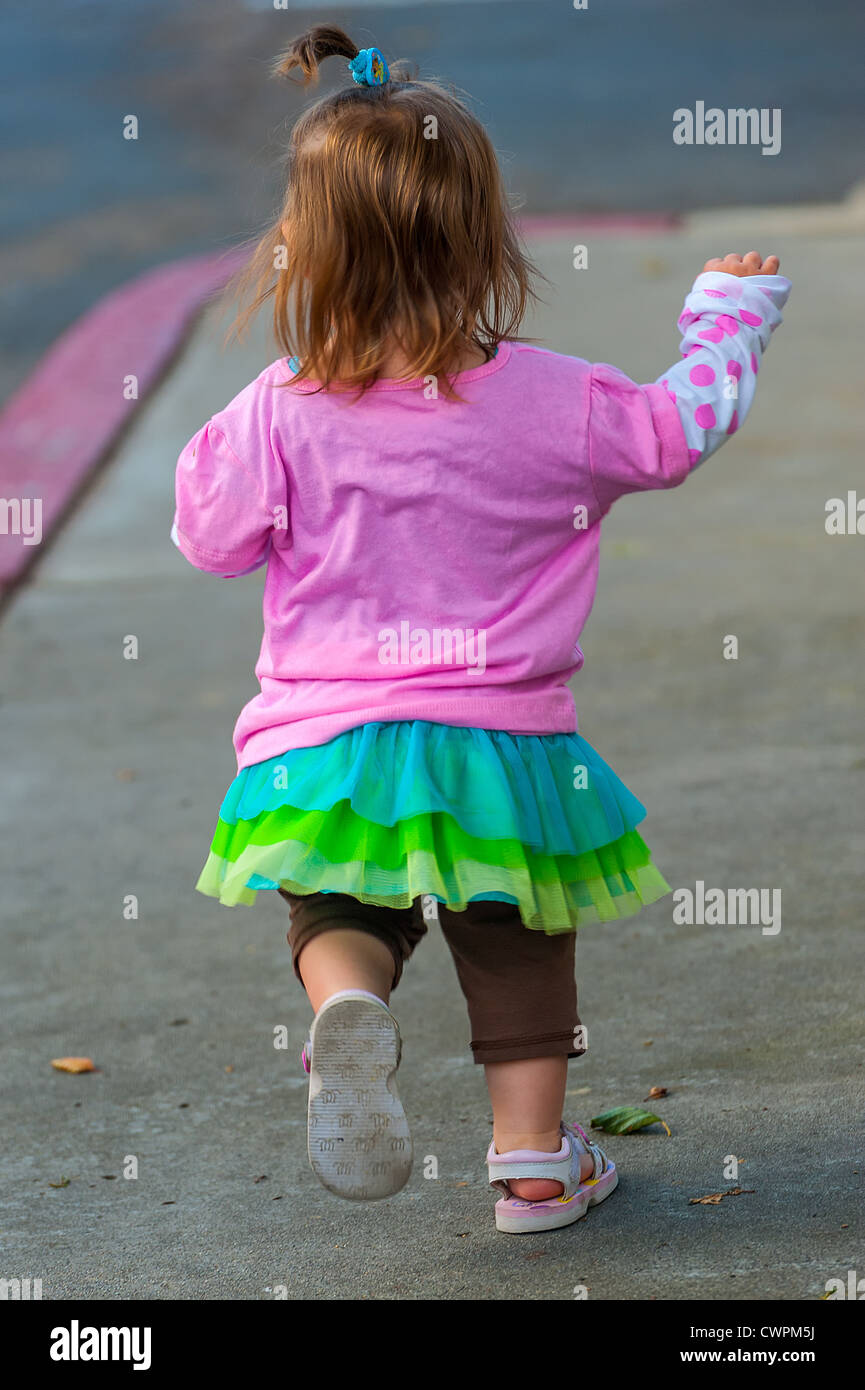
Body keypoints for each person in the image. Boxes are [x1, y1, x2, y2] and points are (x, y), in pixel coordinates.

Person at [171, 25, 791, 1233]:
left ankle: (345, 1007)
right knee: (516, 935)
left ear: (303, 248)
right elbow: (673, 432)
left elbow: (209, 539)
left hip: (327, 741)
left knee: (336, 907)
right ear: (483, 240)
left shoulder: (282, 410)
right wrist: (731, 313)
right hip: (503, 743)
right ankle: (531, 1164)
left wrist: (247, 425)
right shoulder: (555, 399)